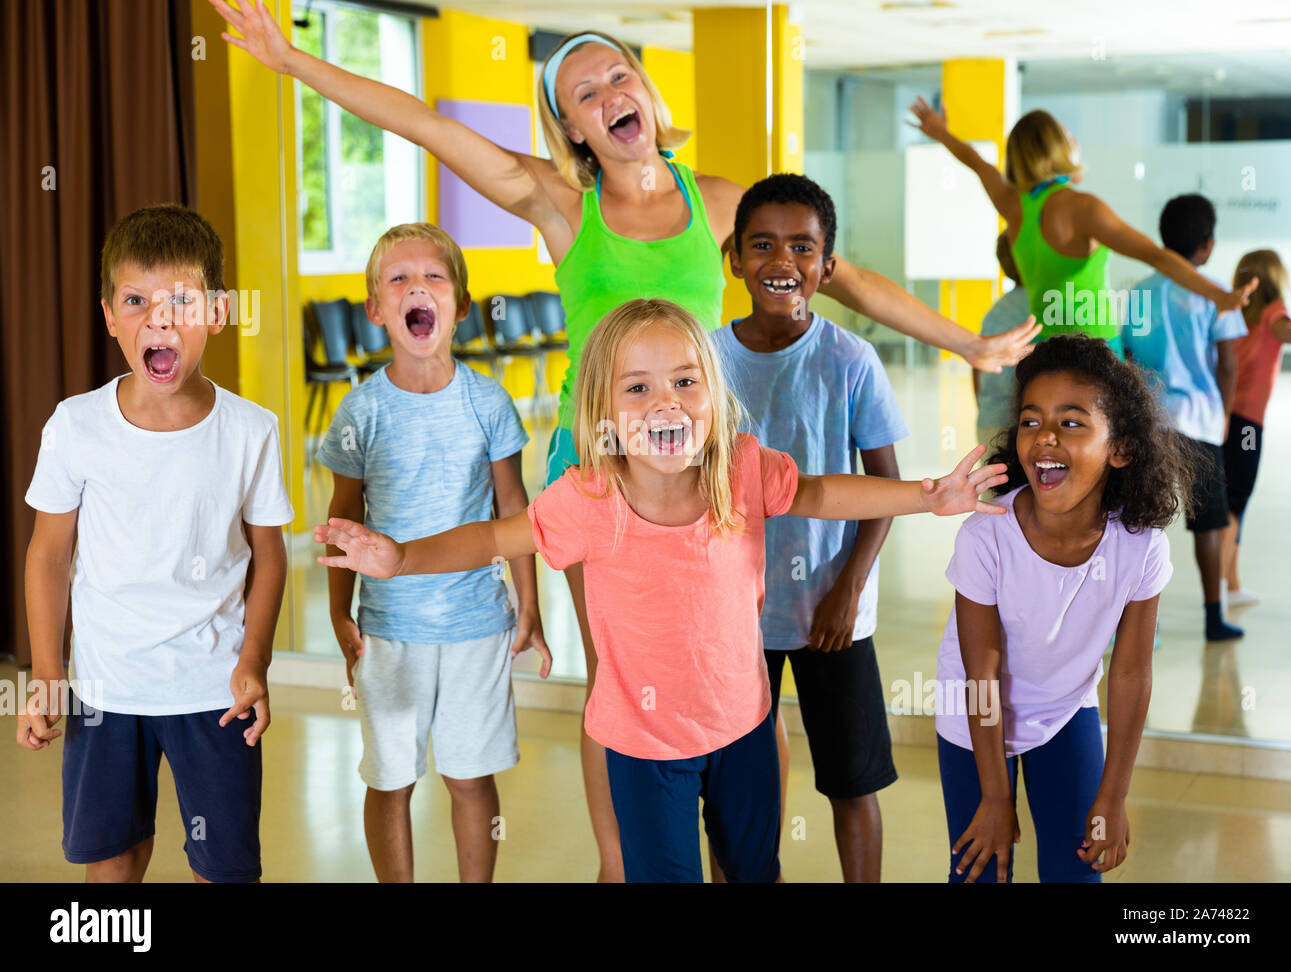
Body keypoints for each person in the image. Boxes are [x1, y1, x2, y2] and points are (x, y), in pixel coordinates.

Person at [211, 0, 1040, 880]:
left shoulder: (715, 200)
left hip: (706, 460)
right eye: (584, 92)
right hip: (602, 469)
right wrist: (292, 63)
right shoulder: (560, 202)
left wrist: (968, 342)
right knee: (620, 675)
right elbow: (423, 125)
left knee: (732, 661)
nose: (609, 92)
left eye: (618, 74)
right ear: (571, 127)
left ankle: (739, 852)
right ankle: (622, 860)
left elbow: (843, 276)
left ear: (644, 90)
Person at [316, 297, 1010, 883]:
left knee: (751, 869)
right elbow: (495, 538)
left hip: (743, 730)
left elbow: (824, 493)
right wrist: (400, 556)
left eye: (684, 381)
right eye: (638, 387)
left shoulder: (741, 468)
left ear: (713, 391)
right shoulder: (587, 496)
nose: (665, 403)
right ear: (604, 410)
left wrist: (929, 495)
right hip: (643, 749)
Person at [18, 204, 293, 883]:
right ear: (110, 315)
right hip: (107, 686)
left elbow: (271, 555)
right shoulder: (76, 425)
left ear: (218, 312)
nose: (159, 319)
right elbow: (49, 554)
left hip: (214, 685)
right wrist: (50, 675)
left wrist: (253, 660)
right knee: (112, 858)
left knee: (224, 865)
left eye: (180, 300)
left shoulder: (251, 429)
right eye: (136, 300)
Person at [316, 223, 551, 882]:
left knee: (470, 780)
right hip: (389, 631)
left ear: (461, 305)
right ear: (375, 310)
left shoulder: (489, 401)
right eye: (398, 279)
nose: (416, 287)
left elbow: (515, 509)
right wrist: (341, 616)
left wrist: (529, 605)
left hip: (477, 625)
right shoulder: (360, 412)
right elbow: (343, 519)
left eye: (434, 278)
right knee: (389, 782)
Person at [937, 335, 1197, 883]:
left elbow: (1130, 672)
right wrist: (994, 794)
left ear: (1120, 448)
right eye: (1031, 422)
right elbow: (980, 673)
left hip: (1064, 712)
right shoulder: (987, 535)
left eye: (1072, 423)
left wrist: (1114, 796)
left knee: (1077, 870)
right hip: (974, 721)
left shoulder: (1141, 545)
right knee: (982, 868)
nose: (1045, 438)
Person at [712, 173, 906, 882]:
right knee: (734, 787)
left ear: (827, 265)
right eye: (762, 244)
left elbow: (885, 488)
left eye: (802, 247)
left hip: (832, 609)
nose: (781, 262)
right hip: (733, 613)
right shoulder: (701, 362)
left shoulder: (850, 360)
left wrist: (849, 589)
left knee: (853, 783)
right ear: (734, 257)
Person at [909, 101, 1256, 353]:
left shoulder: (1012, 204)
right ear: (1058, 148)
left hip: (1045, 350)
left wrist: (941, 133)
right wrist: (1219, 295)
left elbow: (977, 163)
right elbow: (1156, 256)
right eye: (1068, 135)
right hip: (1097, 349)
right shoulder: (1082, 208)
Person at [1124, 194, 1246, 641]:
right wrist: (1226, 416)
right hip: (1201, 423)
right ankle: (1214, 617)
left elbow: (1131, 360)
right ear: (1208, 246)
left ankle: (1140, 627)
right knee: (1209, 522)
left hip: (1152, 422)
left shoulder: (1139, 292)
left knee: (1142, 519)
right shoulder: (1214, 294)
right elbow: (1228, 364)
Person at [1222, 249, 1291, 605]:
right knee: (1237, 502)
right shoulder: (1273, 314)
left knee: (1234, 501)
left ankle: (1232, 585)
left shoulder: (1235, 313)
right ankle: (1221, 589)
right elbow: (1290, 333)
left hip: (1225, 420)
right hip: (1249, 425)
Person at [975, 233, 1032, 450]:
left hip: (989, 422)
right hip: (1020, 427)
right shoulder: (1046, 308)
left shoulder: (995, 312)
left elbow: (978, 371)